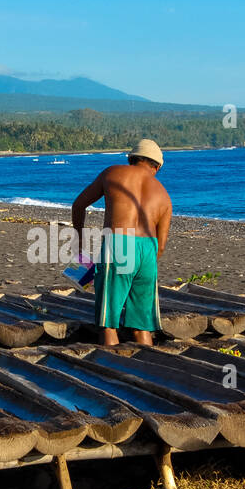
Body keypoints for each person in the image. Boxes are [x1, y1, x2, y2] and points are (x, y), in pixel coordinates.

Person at [70, 138, 172, 346]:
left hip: (119, 244)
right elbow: (160, 246)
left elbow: (78, 205)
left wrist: (78, 242)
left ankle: (112, 369)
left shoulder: (113, 173)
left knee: (108, 322)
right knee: (142, 326)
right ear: (157, 166)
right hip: (148, 251)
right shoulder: (164, 195)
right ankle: (149, 369)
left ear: (131, 158)